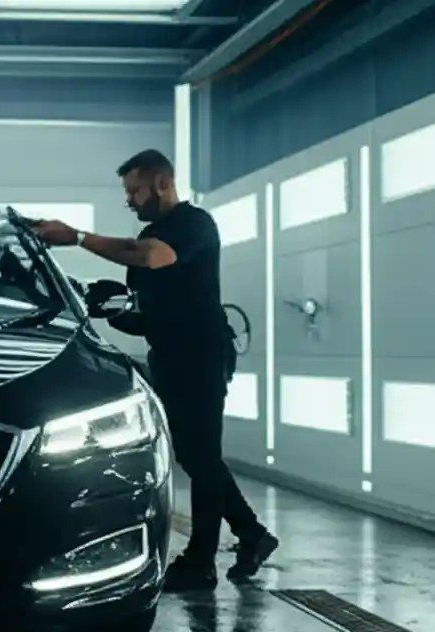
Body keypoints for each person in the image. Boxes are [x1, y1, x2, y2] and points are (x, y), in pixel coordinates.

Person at [31, 149, 278, 591]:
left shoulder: (192, 226)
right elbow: (145, 312)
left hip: (202, 353)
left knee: (200, 456)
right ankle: (253, 534)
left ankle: (201, 560)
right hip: (168, 355)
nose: (129, 200)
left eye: (134, 190)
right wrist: (108, 308)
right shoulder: (150, 233)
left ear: (162, 183)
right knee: (194, 454)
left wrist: (77, 236)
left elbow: (148, 258)